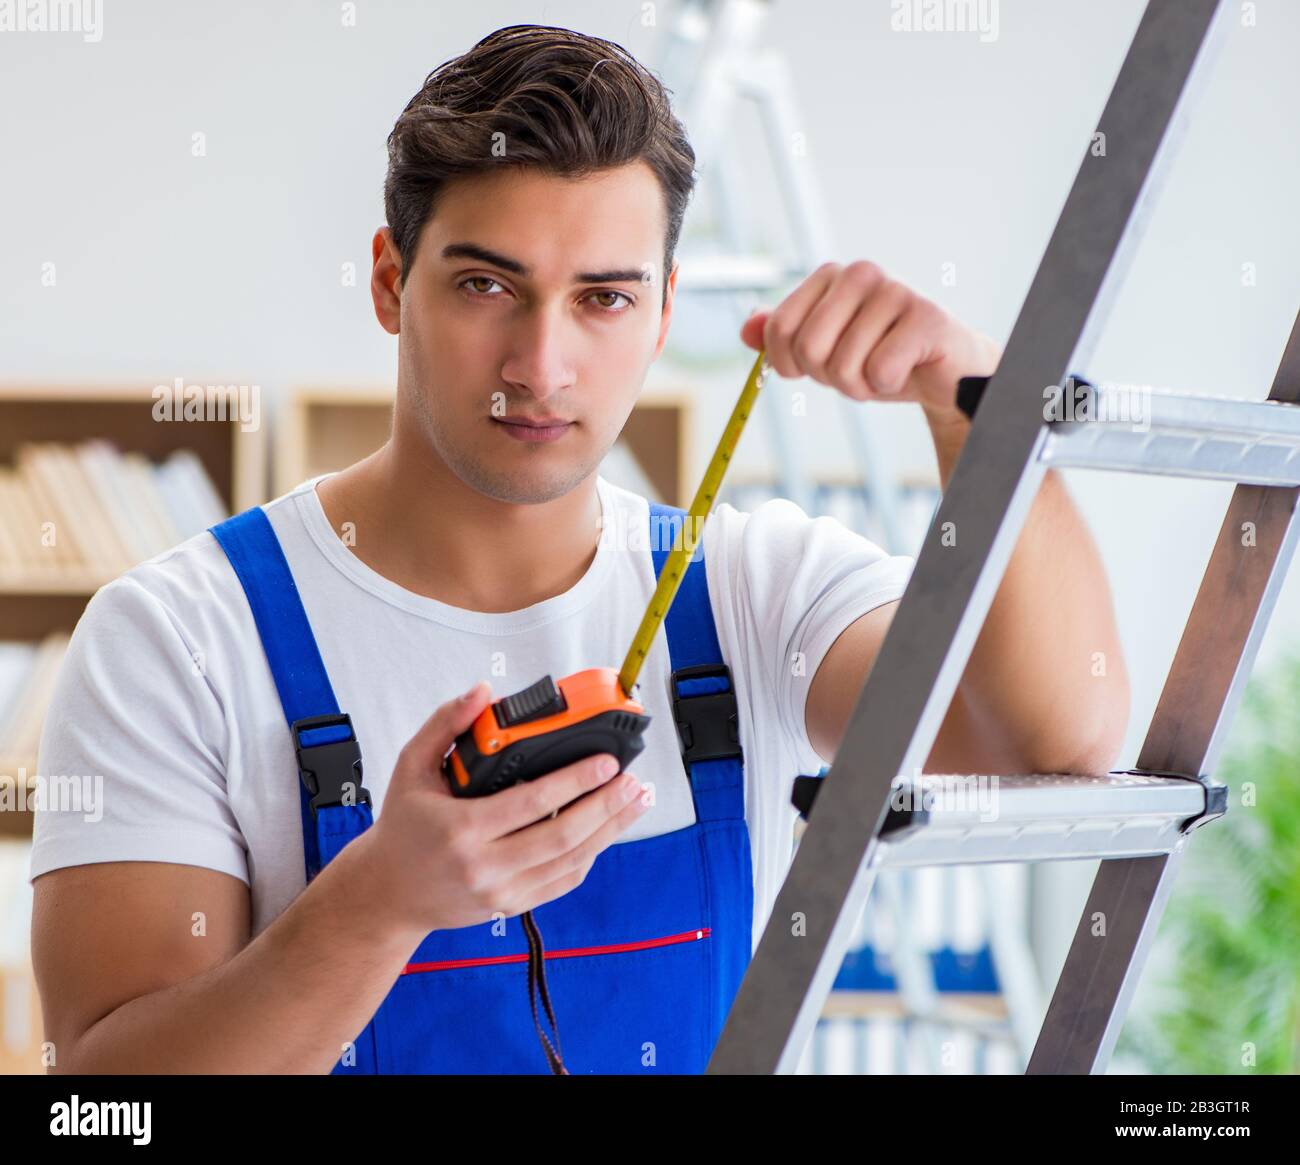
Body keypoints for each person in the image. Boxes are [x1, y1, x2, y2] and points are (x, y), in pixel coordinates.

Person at [28, 24, 1128, 1074]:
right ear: (386, 281)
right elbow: (110, 1104)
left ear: (659, 318)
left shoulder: (754, 594)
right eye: (485, 284)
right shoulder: (177, 638)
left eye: (602, 297)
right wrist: (381, 904)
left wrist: (978, 404)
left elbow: (1053, 737)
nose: (542, 364)